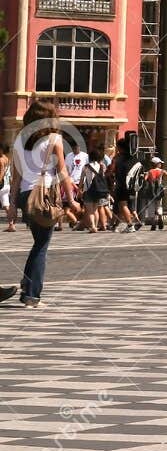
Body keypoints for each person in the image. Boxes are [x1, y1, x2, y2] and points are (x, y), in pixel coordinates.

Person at [8, 99, 74, 307]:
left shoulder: (19, 139)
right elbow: (63, 173)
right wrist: (71, 200)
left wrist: (11, 205)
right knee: (41, 246)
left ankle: (28, 285)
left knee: (38, 243)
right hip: (43, 198)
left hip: (24, 196)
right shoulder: (53, 138)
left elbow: (16, 178)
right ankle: (32, 296)